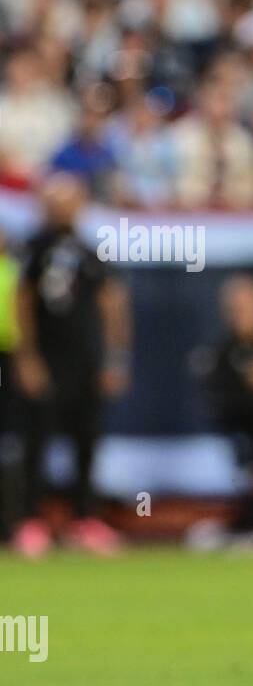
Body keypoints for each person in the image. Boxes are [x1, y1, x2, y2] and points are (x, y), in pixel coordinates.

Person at [12, 173, 130, 556]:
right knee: (37, 440)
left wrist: (114, 358)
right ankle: (32, 520)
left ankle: (85, 519)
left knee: (86, 441)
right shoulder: (32, 249)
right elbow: (22, 302)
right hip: (48, 357)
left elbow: (112, 304)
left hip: (84, 359)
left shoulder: (89, 251)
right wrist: (27, 356)